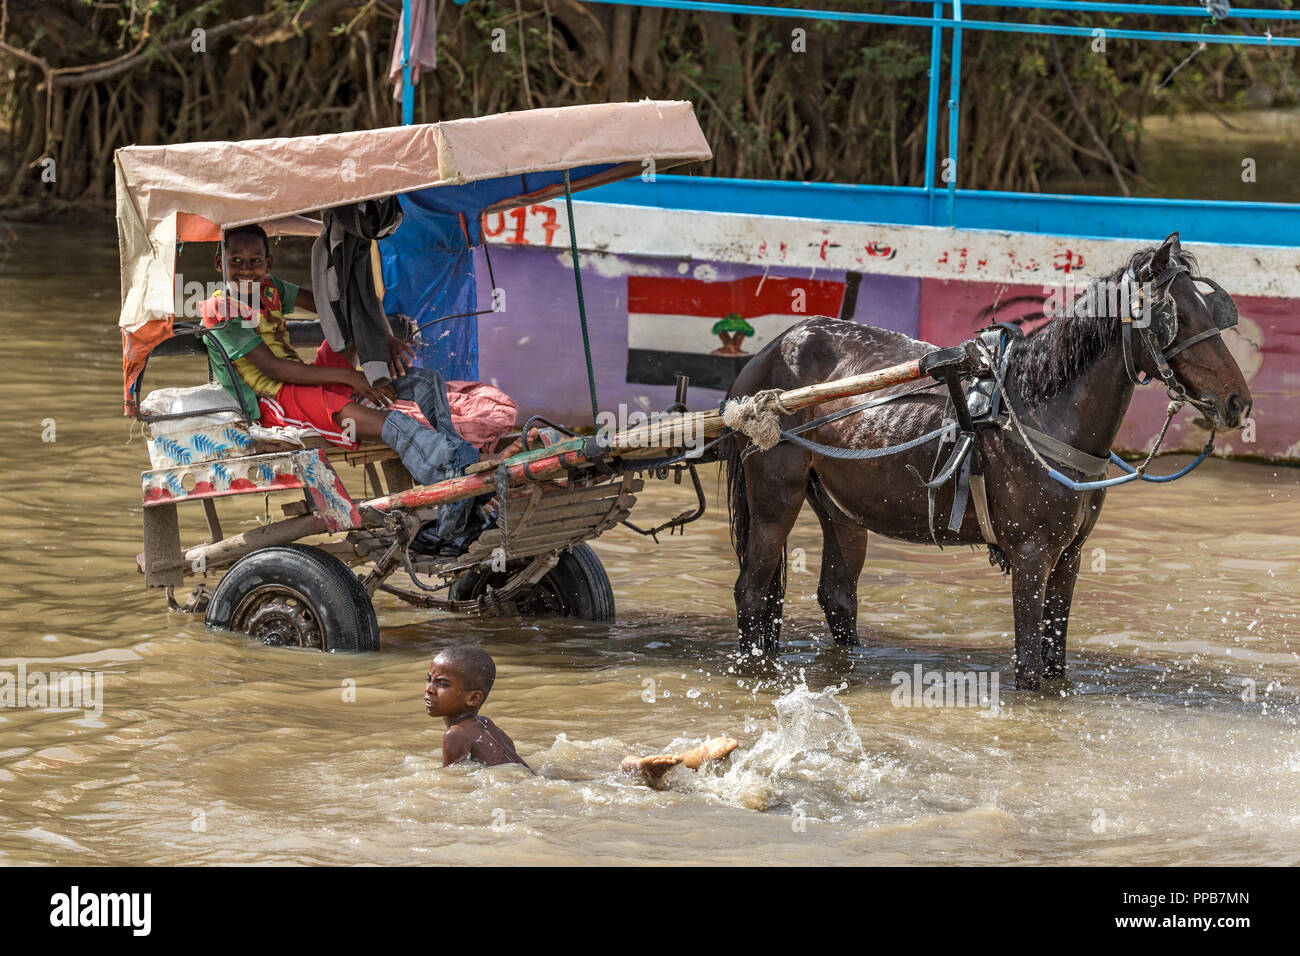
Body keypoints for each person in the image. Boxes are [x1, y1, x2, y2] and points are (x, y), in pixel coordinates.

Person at [200, 224, 481, 553]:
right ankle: (453, 506)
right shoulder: (219, 309)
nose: (246, 270)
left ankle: (462, 465)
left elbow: (344, 306)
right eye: (236, 261)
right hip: (275, 401)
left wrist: (383, 338)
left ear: (268, 264)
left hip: (300, 380)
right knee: (401, 427)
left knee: (426, 380)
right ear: (220, 264)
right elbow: (273, 369)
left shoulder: (269, 288)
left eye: (254, 262)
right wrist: (349, 378)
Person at [425, 646, 531, 769]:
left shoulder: (455, 734)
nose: (429, 689)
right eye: (428, 680)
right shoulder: (487, 724)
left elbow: (452, 781)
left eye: (442, 684)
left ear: (473, 698)